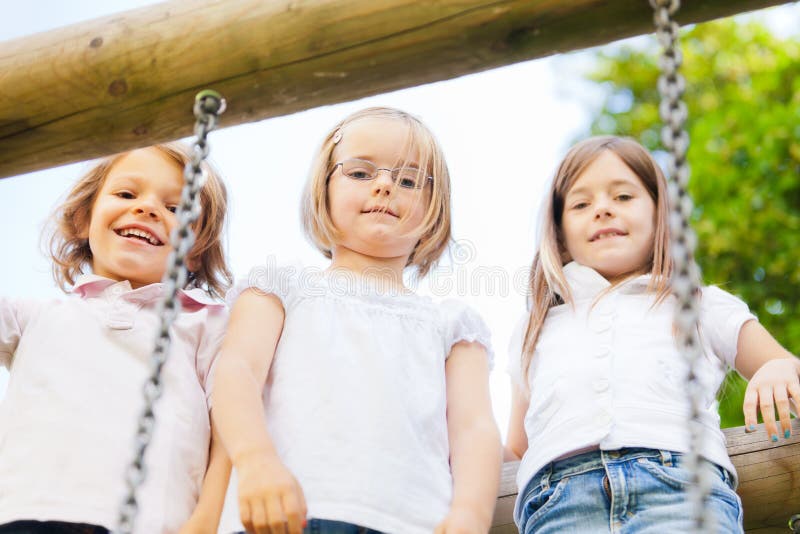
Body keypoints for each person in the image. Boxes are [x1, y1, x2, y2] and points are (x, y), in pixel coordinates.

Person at [211, 107, 501, 534]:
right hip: (287, 511)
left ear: (434, 207)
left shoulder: (451, 324)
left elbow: (474, 428)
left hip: (411, 523)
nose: (384, 185)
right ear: (323, 189)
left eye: (408, 181)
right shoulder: (282, 287)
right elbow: (236, 371)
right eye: (361, 173)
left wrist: (470, 514)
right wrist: (256, 460)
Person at [505, 135, 800, 532]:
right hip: (559, 503)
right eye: (581, 204)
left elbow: (784, 364)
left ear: (661, 217)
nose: (602, 209)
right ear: (560, 235)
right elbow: (517, 449)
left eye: (623, 197)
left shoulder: (697, 303)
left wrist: (776, 368)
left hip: (681, 488)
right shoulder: (537, 327)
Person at [0, 143, 233, 534]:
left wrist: (206, 520)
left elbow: (231, 430)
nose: (148, 208)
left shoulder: (208, 325)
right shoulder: (32, 317)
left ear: (196, 251)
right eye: (126, 194)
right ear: (83, 219)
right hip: (22, 513)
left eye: (176, 209)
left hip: (150, 523)